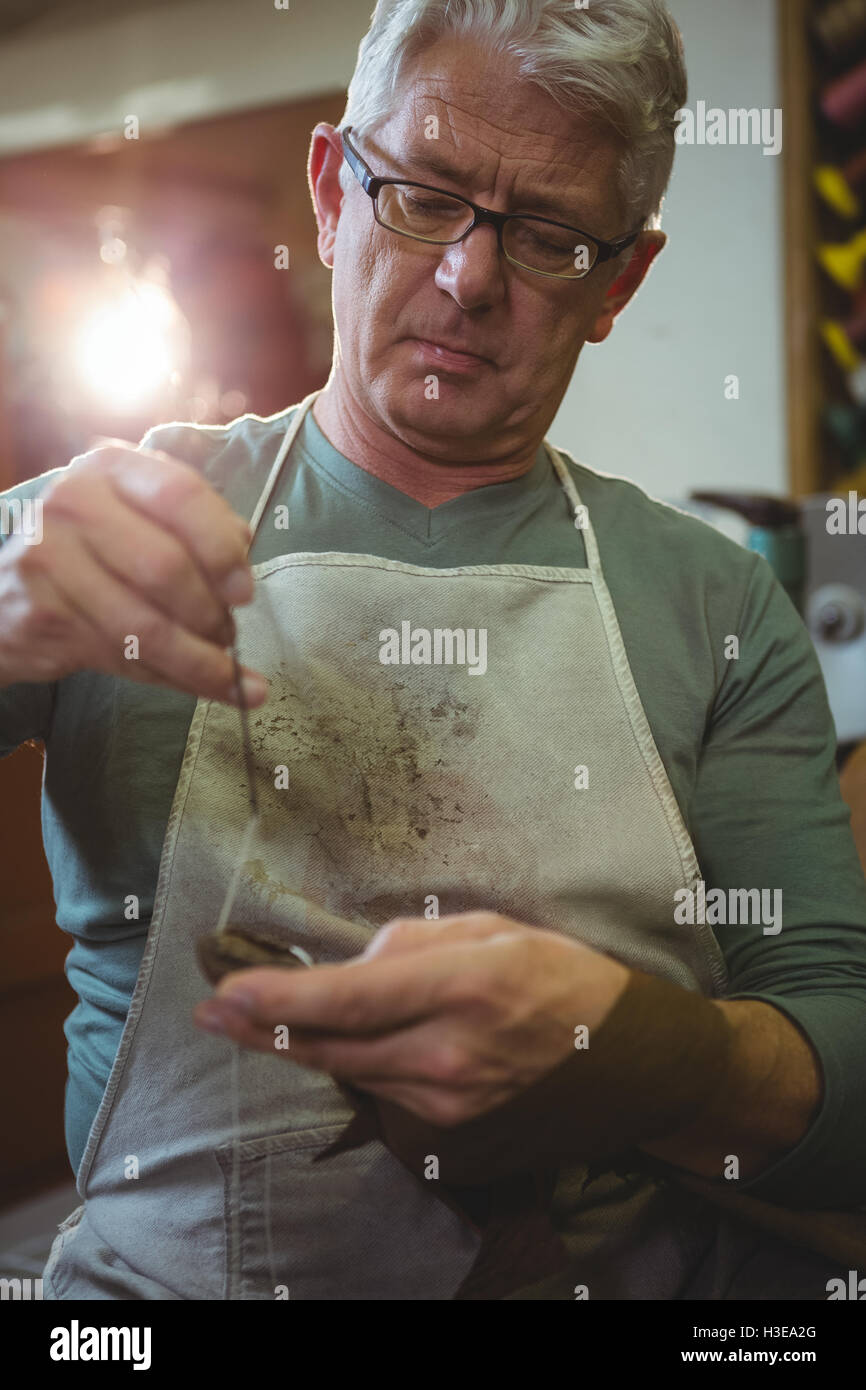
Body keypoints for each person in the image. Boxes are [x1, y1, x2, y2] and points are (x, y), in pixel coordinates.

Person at [2, 0, 865, 1301]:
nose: (469, 277)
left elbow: (839, 1068)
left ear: (618, 281)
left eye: (549, 236)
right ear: (330, 191)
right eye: (421, 196)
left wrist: (665, 1059)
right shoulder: (104, 523)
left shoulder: (716, 605)